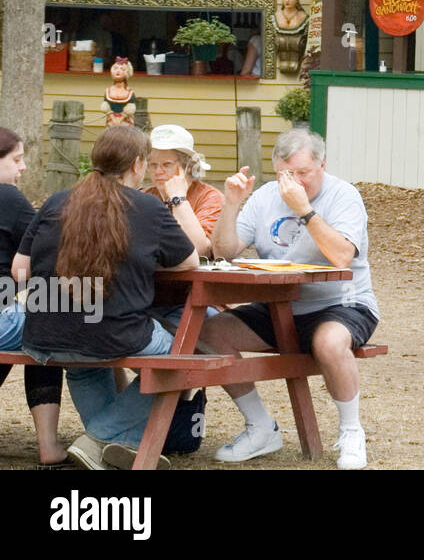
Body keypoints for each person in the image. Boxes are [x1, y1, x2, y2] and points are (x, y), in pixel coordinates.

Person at [17, 126, 198, 470]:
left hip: (45, 334)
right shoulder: (148, 208)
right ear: (137, 164)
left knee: (84, 367)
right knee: (183, 361)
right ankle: (100, 438)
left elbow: (20, 269)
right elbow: (189, 261)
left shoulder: (57, 200)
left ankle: (108, 445)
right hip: (114, 333)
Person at [204, 129, 380, 469]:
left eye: (302, 173)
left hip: (343, 303)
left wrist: (305, 210)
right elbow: (223, 251)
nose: (293, 182)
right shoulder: (266, 197)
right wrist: (232, 203)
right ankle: (260, 427)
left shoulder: (343, 196)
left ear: (322, 165)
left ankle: (351, 431)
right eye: (286, 174)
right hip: (280, 306)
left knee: (329, 343)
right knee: (211, 332)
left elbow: (342, 256)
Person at [0, 128, 70, 468]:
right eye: (16, 159)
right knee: (46, 323)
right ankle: (48, 445)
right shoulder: (8, 198)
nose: (23, 167)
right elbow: (47, 249)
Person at [144, 124, 223, 253]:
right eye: (153, 165)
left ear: (188, 166)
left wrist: (178, 198)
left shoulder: (209, 197)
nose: (158, 171)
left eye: (166, 164)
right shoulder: (146, 196)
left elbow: (198, 248)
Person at [275, 0, 310, 75]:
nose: (287, 0)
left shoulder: (303, 17)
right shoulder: (276, 16)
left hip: (297, 61)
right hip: (281, 60)